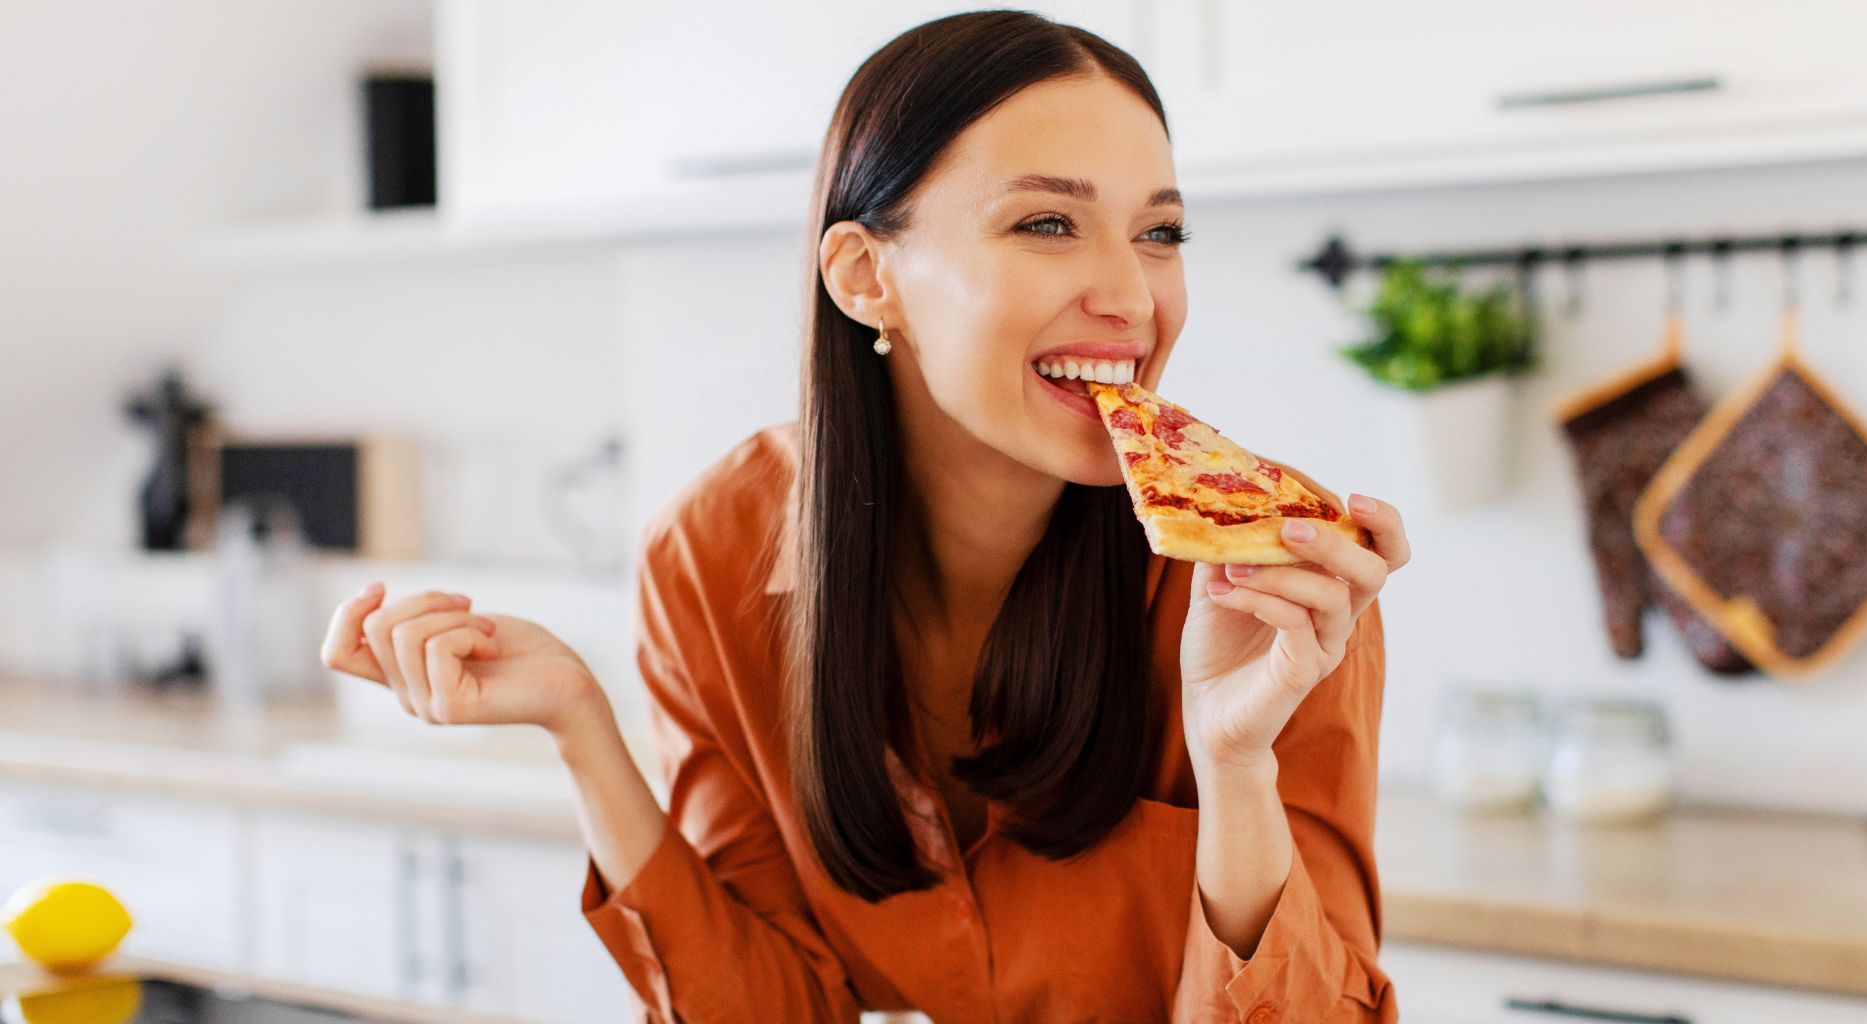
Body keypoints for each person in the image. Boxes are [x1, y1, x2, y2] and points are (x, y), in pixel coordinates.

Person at [319, 10, 1410, 1022]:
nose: (1132, 296)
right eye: (1047, 222)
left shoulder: (1270, 579)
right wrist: (581, 730)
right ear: (861, 275)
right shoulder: (715, 554)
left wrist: (1233, 765)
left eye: (1159, 233)